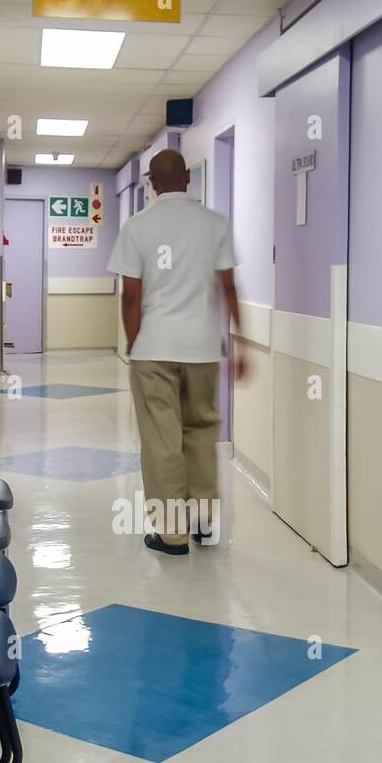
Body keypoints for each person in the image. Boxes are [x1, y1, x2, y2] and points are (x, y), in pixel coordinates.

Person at [107, 149, 246, 557]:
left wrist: (133, 340)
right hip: (202, 349)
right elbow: (229, 287)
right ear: (188, 177)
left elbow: (130, 296)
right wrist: (240, 343)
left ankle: (171, 533)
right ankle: (203, 522)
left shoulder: (137, 226)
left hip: (154, 347)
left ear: (150, 183)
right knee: (201, 432)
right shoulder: (215, 224)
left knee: (162, 439)